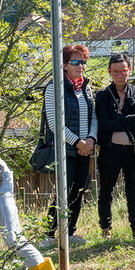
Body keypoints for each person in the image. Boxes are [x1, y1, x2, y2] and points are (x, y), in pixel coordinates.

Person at [42, 44, 97, 246]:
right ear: (64, 65)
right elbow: (54, 123)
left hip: (85, 148)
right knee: (63, 192)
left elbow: (93, 117)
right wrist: (77, 142)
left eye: (83, 62)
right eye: (75, 62)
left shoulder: (86, 88)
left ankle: (71, 232)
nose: (80, 66)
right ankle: (49, 235)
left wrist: (90, 139)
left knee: (79, 191)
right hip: (66, 149)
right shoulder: (53, 87)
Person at [95, 53, 135, 238]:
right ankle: (106, 229)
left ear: (129, 70)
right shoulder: (102, 95)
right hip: (110, 150)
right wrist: (131, 119)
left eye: (123, 71)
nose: (119, 75)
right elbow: (104, 124)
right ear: (109, 72)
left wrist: (118, 118)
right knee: (106, 190)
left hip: (133, 149)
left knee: (134, 192)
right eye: (115, 71)